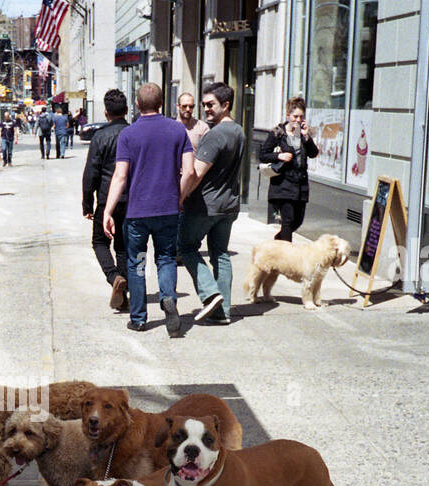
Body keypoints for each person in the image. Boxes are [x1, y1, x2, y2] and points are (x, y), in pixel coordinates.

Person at [102, 82, 194, 336]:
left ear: (138, 105)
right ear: (162, 103)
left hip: (137, 212)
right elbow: (190, 171)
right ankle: (169, 300)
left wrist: (107, 211)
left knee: (136, 263)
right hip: (168, 209)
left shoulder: (129, 134)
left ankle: (139, 318)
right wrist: (179, 197)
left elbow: (120, 176)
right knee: (166, 258)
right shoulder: (177, 130)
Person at [177, 82, 244, 326]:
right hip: (229, 205)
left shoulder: (214, 135)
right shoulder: (239, 131)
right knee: (220, 254)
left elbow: (196, 172)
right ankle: (223, 312)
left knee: (184, 247)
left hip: (206, 205)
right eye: (203, 104)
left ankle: (210, 293)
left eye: (210, 104)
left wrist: (181, 198)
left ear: (225, 105)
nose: (205, 109)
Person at [82, 88, 131, 313]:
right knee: (123, 246)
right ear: (127, 110)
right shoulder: (133, 133)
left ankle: (114, 278)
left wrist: (87, 203)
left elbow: (91, 172)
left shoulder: (100, 136)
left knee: (100, 242)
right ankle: (124, 292)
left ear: (105, 112)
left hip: (106, 199)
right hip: (130, 199)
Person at [260, 95, 319, 241]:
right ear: (288, 115)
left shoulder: (303, 134)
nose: (298, 120)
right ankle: (286, 258)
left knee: (297, 221)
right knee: (287, 221)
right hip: (283, 184)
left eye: (301, 117)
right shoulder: (278, 133)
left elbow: (313, 153)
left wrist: (307, 137)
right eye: (295, 116)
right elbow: (263, 154)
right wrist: (279, 156)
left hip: (301, 186)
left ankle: (278, 242)